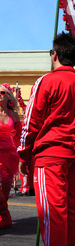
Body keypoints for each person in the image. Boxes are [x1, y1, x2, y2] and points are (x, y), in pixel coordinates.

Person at [16, 32, 75, 246]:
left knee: (54, 216)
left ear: (55, 54)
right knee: (73, 214)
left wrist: (24, 154)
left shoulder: (46, 81)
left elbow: (31, 122)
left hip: (51, 155)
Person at [0, 83, 21, 229]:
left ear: (8, 95)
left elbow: (19, 138)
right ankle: (6, 216)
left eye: (2, 92)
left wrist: (20, 156)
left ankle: (2, 216)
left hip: (9, 156)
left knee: (6, 189)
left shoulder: (14, 115)